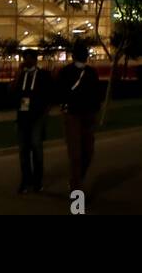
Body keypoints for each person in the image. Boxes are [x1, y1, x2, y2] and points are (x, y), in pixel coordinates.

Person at [57, 40, 101, 192]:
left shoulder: (91, 73)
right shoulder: (65, 72)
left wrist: (95, 112)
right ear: (75, 55)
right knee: (75, 154)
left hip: (88, 115)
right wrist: (64, 107)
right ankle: (77, 191)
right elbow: (60, 92)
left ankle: (77, 180)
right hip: (72, 116)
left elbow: (96, 94)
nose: (84, 56)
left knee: (88, 152)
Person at [13, 48, 54, 193]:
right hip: (23, 117)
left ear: (35, 60)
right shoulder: (21, 75)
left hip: (37, 116)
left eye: (29, 58)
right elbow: (12, 92)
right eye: (25, 58)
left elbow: (51, 95)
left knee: (36, 147)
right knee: (23, 150)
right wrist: (18, 73)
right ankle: (26, 180)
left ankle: (38, 181)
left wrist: (45, 114)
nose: (27, 61)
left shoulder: (43, 75)